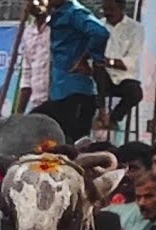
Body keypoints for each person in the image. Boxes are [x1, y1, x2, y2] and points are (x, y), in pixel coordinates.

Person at [41, 0, 109, 143]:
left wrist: (85, 58)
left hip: (76, 92)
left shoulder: (75, 12)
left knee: (72, 144)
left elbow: (100, 32)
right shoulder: (56, 14)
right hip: (59, 92)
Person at [94, 0, 143, 131]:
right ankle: (101, 112)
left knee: (135, 93)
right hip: (101, 76)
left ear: (122, 8)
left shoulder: (135, 28)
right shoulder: (98, 25)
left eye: (111, 9)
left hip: (124, 77)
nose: (107, 13)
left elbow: (131, 60)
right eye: (105, 9)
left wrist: (109, 62)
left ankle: (114, 118)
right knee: (98, 71)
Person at [16, 0, 52, 115]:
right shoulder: (29, 32)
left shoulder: (57, 28)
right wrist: (19, 113)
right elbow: (27, 74)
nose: (35, 3)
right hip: (37, 103)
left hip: (57, 101)